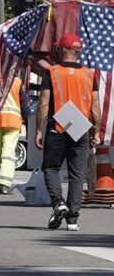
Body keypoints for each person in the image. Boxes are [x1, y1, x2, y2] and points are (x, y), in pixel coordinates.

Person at [35, 32, 101, 232]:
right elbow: (96, 107)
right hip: (80, 125)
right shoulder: (89, 74)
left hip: (59, 122)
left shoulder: (52, 72)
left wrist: (39, 129)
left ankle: (58, 203)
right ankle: (73, 219)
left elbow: (44, 104)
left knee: (51, 168)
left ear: (62, 49)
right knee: (76, 174)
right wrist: (96, 132)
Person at [0, 74, 29, 195]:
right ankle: (5, 184)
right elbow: (24, 105)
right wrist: (28, 124)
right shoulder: (17, 82)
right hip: (12, 120)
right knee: (8, 153)